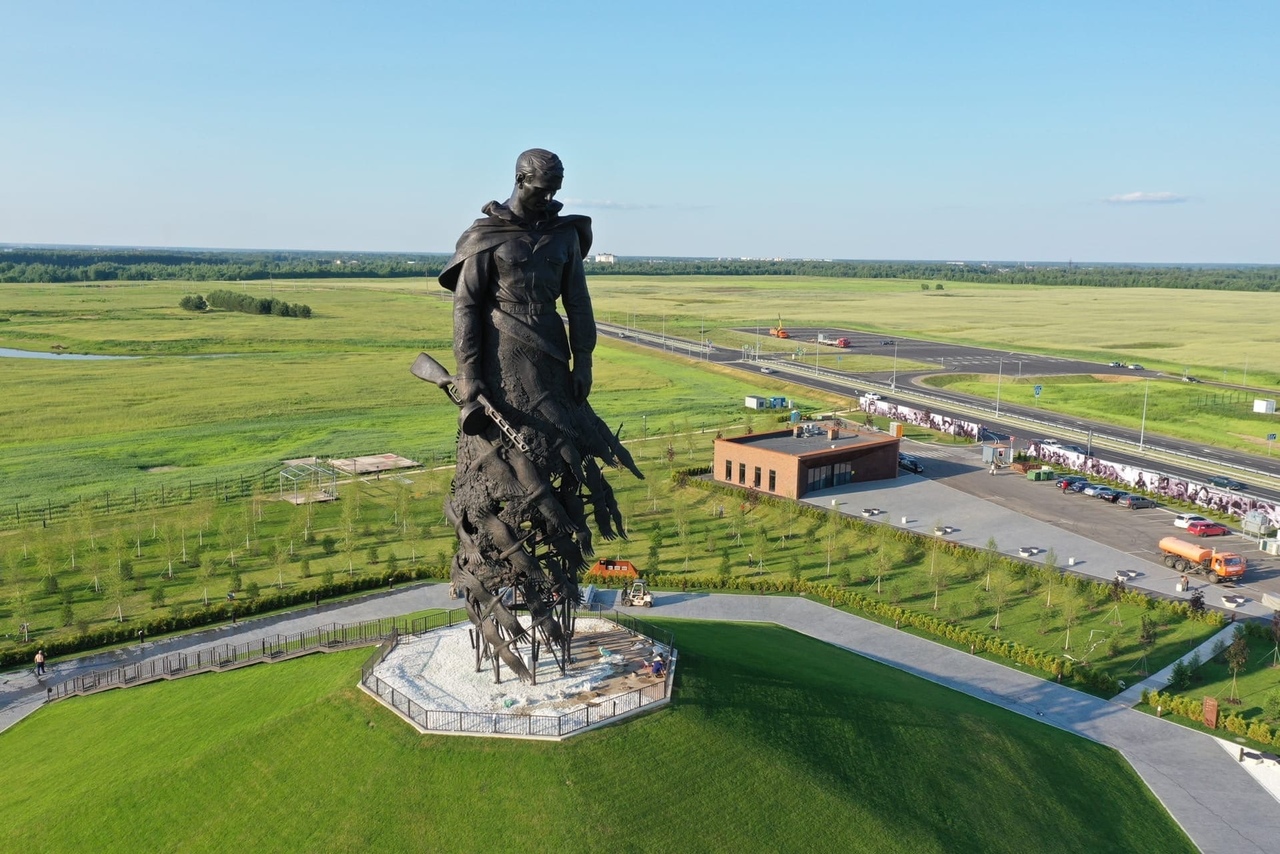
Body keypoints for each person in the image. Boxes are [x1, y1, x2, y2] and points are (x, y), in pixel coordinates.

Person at [438, 150, 642, 684]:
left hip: (551, 361)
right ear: (519, 180)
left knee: (561, 460)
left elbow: (578, 301)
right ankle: (504, 593)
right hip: (502, 365)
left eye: (556, 189)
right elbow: (465, 307)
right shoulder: (487, 236)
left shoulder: (565, 237)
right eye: (541, 188)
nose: (549, 198)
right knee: (501, 468)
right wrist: (470, 373)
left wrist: (585, 359)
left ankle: (560, 580)